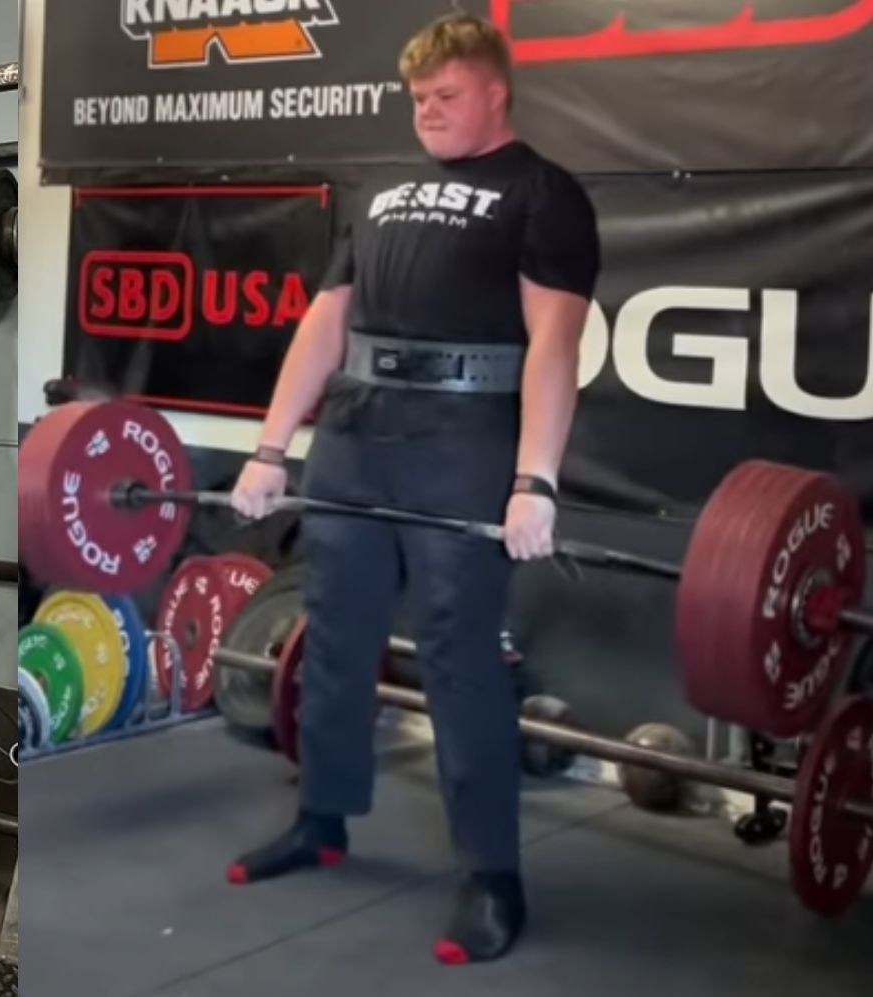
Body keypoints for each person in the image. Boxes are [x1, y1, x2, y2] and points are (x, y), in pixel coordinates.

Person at [227, 14, 600, 965]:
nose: (428, 113)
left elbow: (554, 344)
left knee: (458, 652)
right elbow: (323, 325)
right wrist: (273, 447)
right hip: (355, 432)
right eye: (418, 100)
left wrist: (536, 479)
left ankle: (491, 875)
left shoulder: (542, 194)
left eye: (446, 97)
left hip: (465, 442)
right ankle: (322, 816)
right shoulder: (387, 194)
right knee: (336, 629)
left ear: (495, 94)